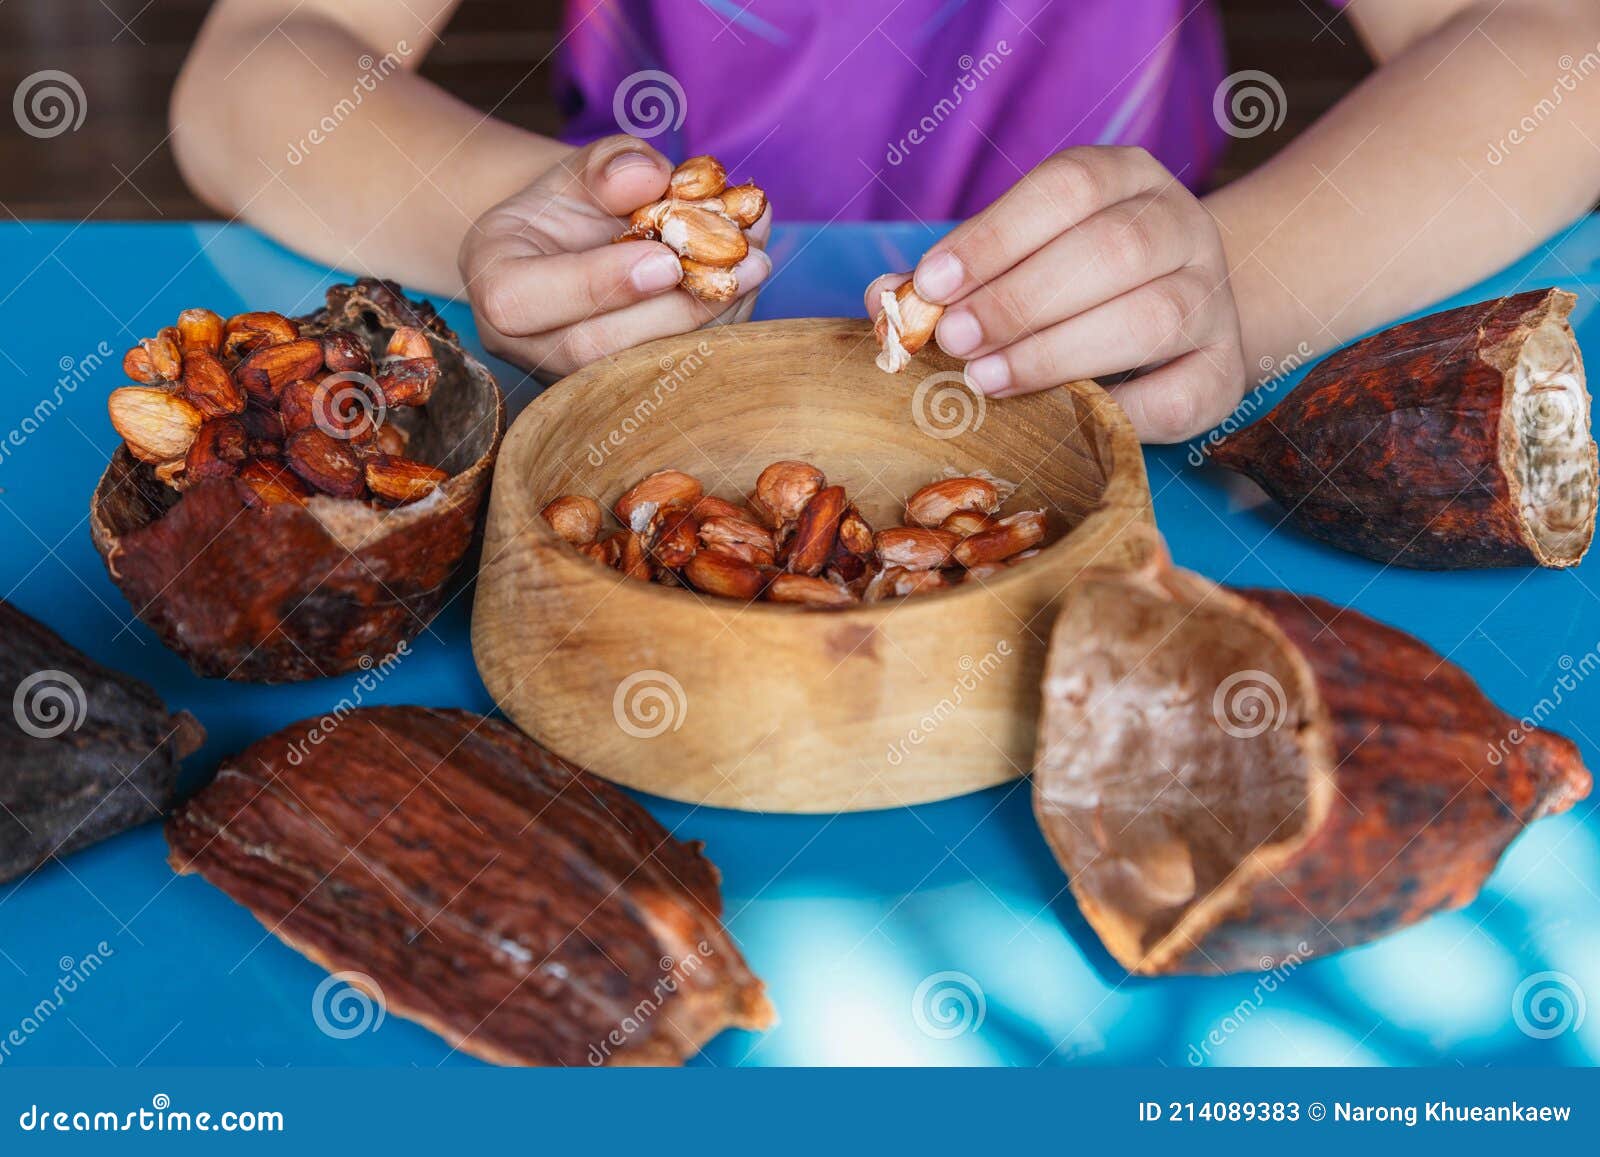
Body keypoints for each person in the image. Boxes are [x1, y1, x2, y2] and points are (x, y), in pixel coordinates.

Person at [171, 0, 1600, 441]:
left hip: (1125, 446)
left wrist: (1233, 287)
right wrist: (515, 224)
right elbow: (251, 74)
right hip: (635, 417)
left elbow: (1563, 55)